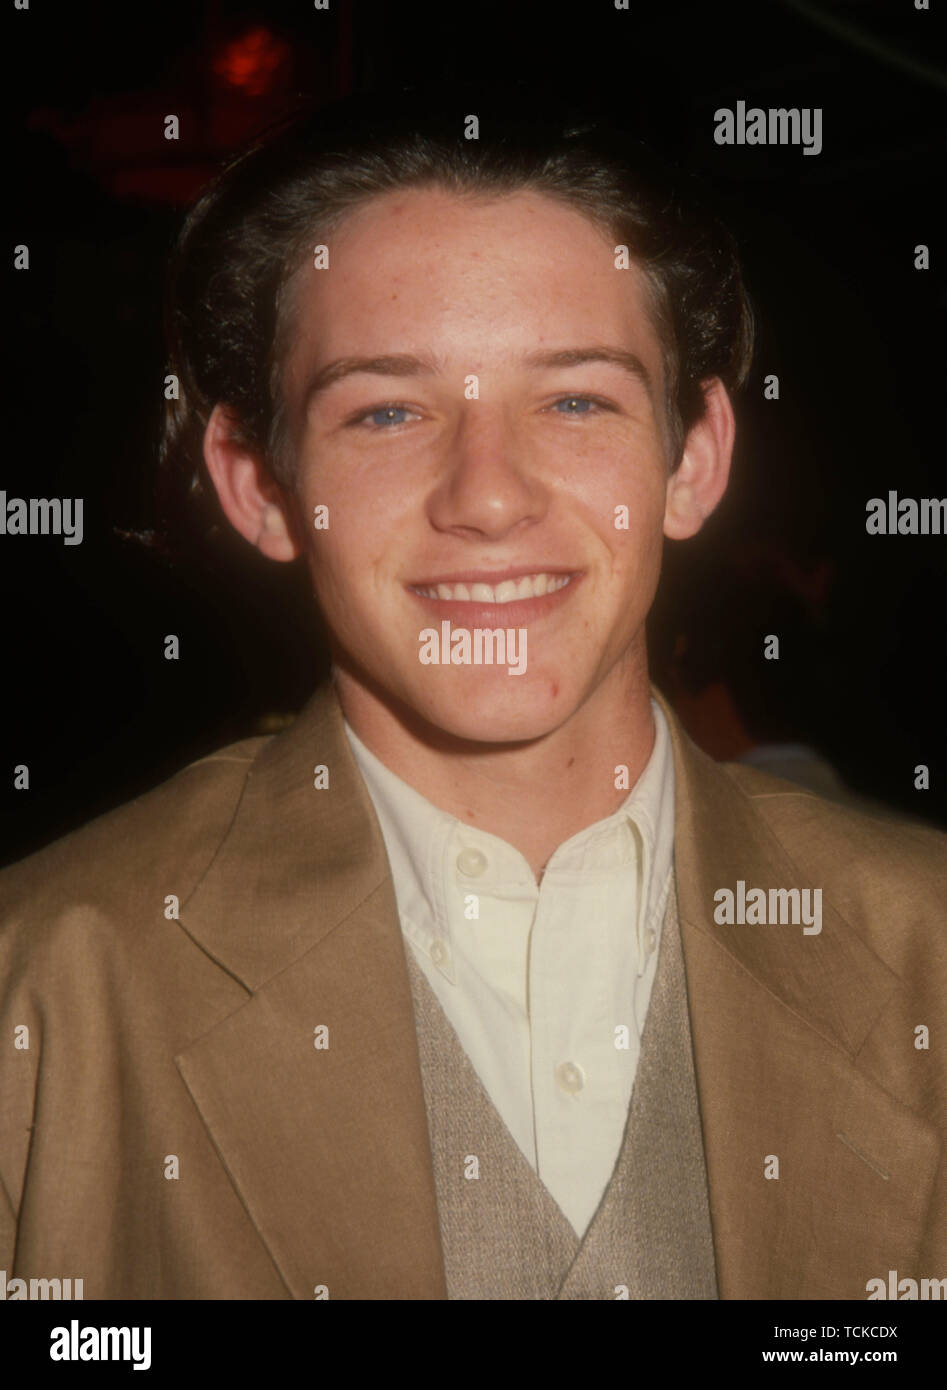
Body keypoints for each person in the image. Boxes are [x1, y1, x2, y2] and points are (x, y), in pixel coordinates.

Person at [1, 86, 944, 1302]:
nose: (487, 495)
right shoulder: (44, 993)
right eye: (386, 409)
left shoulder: (923, 950)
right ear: (256, 484)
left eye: (573, 400)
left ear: (693, 458)